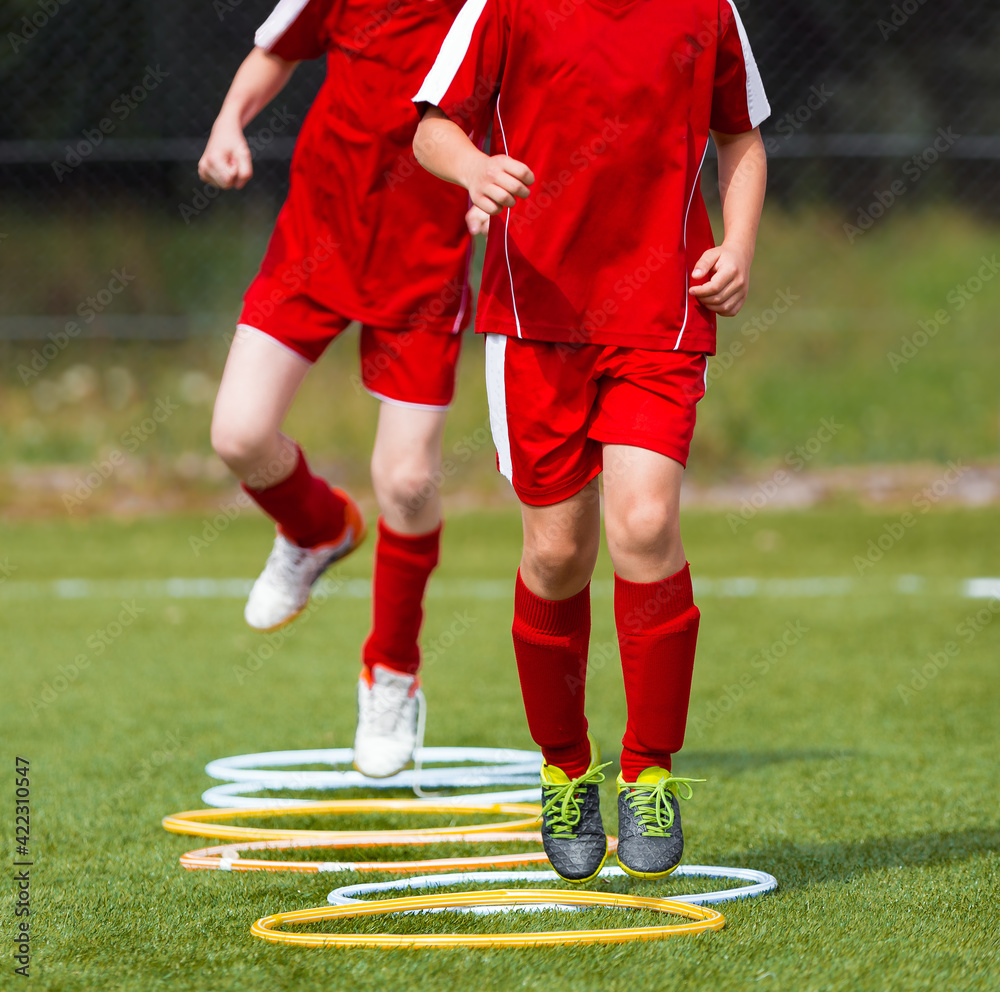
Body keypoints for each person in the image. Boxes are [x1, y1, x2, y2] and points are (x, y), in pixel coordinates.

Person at [413, 0, 769, 880]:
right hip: (537, 319)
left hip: (662, 312)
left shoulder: (706, 11)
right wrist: (475, 169)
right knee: (558, 553)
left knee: (644, 526)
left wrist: (742, 247)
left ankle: (649, 770)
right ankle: (567, 766)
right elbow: (430, 126)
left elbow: (745, 139)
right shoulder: (505, 6)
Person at [199, 0, 479, 778]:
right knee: (239, 435)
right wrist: (228, 124)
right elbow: (274, 53)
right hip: (316, 241)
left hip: (424, 262)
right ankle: (317, 528)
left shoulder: (502, 8)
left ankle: (391, 672)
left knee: (410, 480)